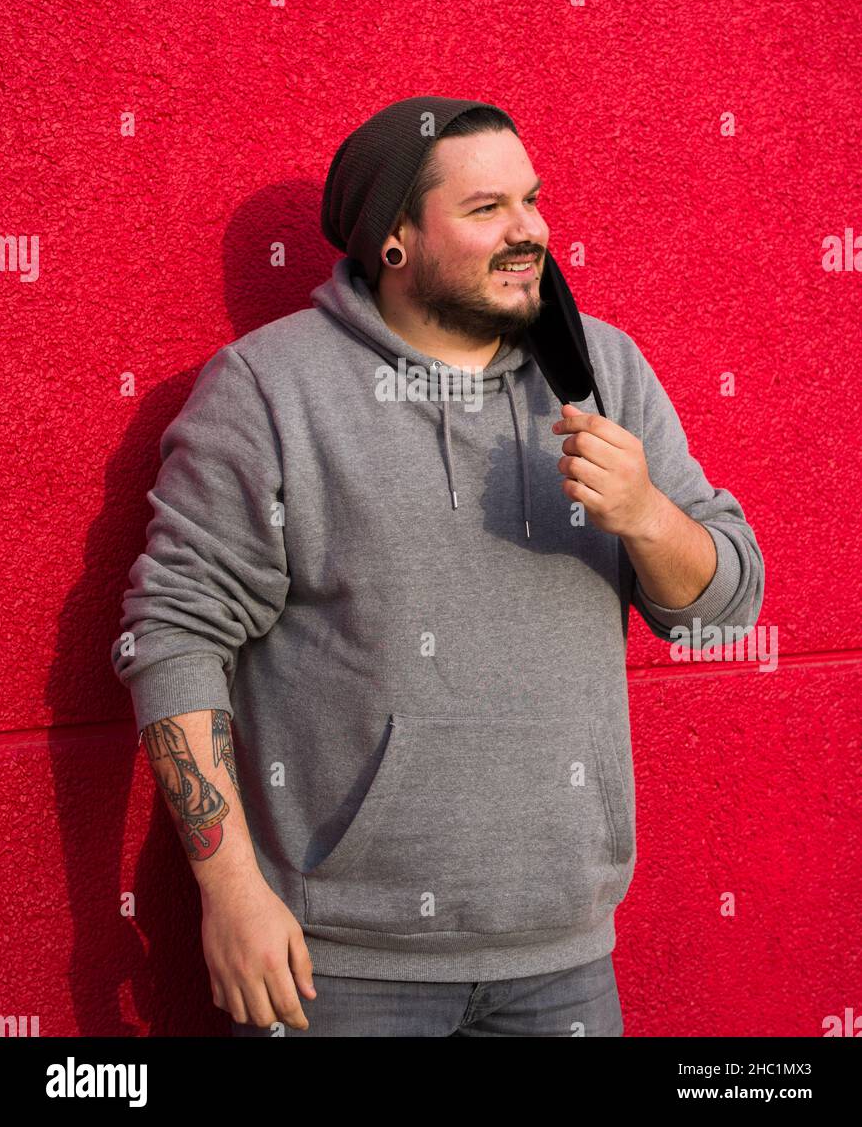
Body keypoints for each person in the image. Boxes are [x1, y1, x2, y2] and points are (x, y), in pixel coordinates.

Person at [112, 95, 765, 1038]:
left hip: (563, 957)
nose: (529, 230)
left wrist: (647, 516)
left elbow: (722, 614)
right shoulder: (269, 392)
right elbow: (172, 634)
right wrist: (231, 892)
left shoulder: (601, 374)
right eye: (486, 208)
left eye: (533, 201)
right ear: (394, 241)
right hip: (335, 967)